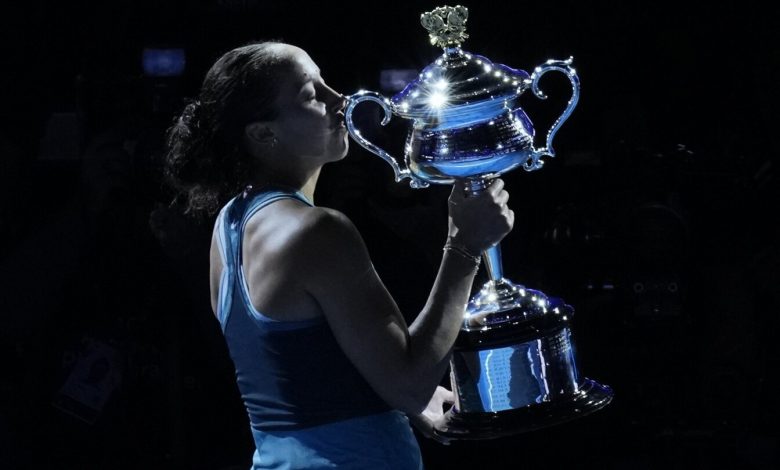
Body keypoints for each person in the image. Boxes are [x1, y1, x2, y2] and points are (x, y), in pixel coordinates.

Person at [164, 41, 514, 469]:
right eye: (312, 95)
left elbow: (300, 375)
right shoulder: (317, 231)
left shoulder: (229, 223)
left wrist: (385, 399)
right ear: (262, 134)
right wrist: (464, 245)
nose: (340, 99)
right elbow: (410, 385)